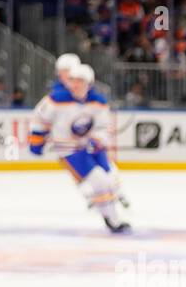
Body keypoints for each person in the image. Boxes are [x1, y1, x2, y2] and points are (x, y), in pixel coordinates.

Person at [29, 64, 130, 233]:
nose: (75, 84)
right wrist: (37, 139)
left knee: (110, 179)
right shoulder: (56, 99)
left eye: (80, 81)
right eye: (72, 80)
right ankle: (112, 219)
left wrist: (97, 140)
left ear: (88, 83)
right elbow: (39, 119)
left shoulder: (98, 102)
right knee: (100, 181)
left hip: (93, 149)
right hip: (69, 150)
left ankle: (110, 215)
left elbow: (104, 127)